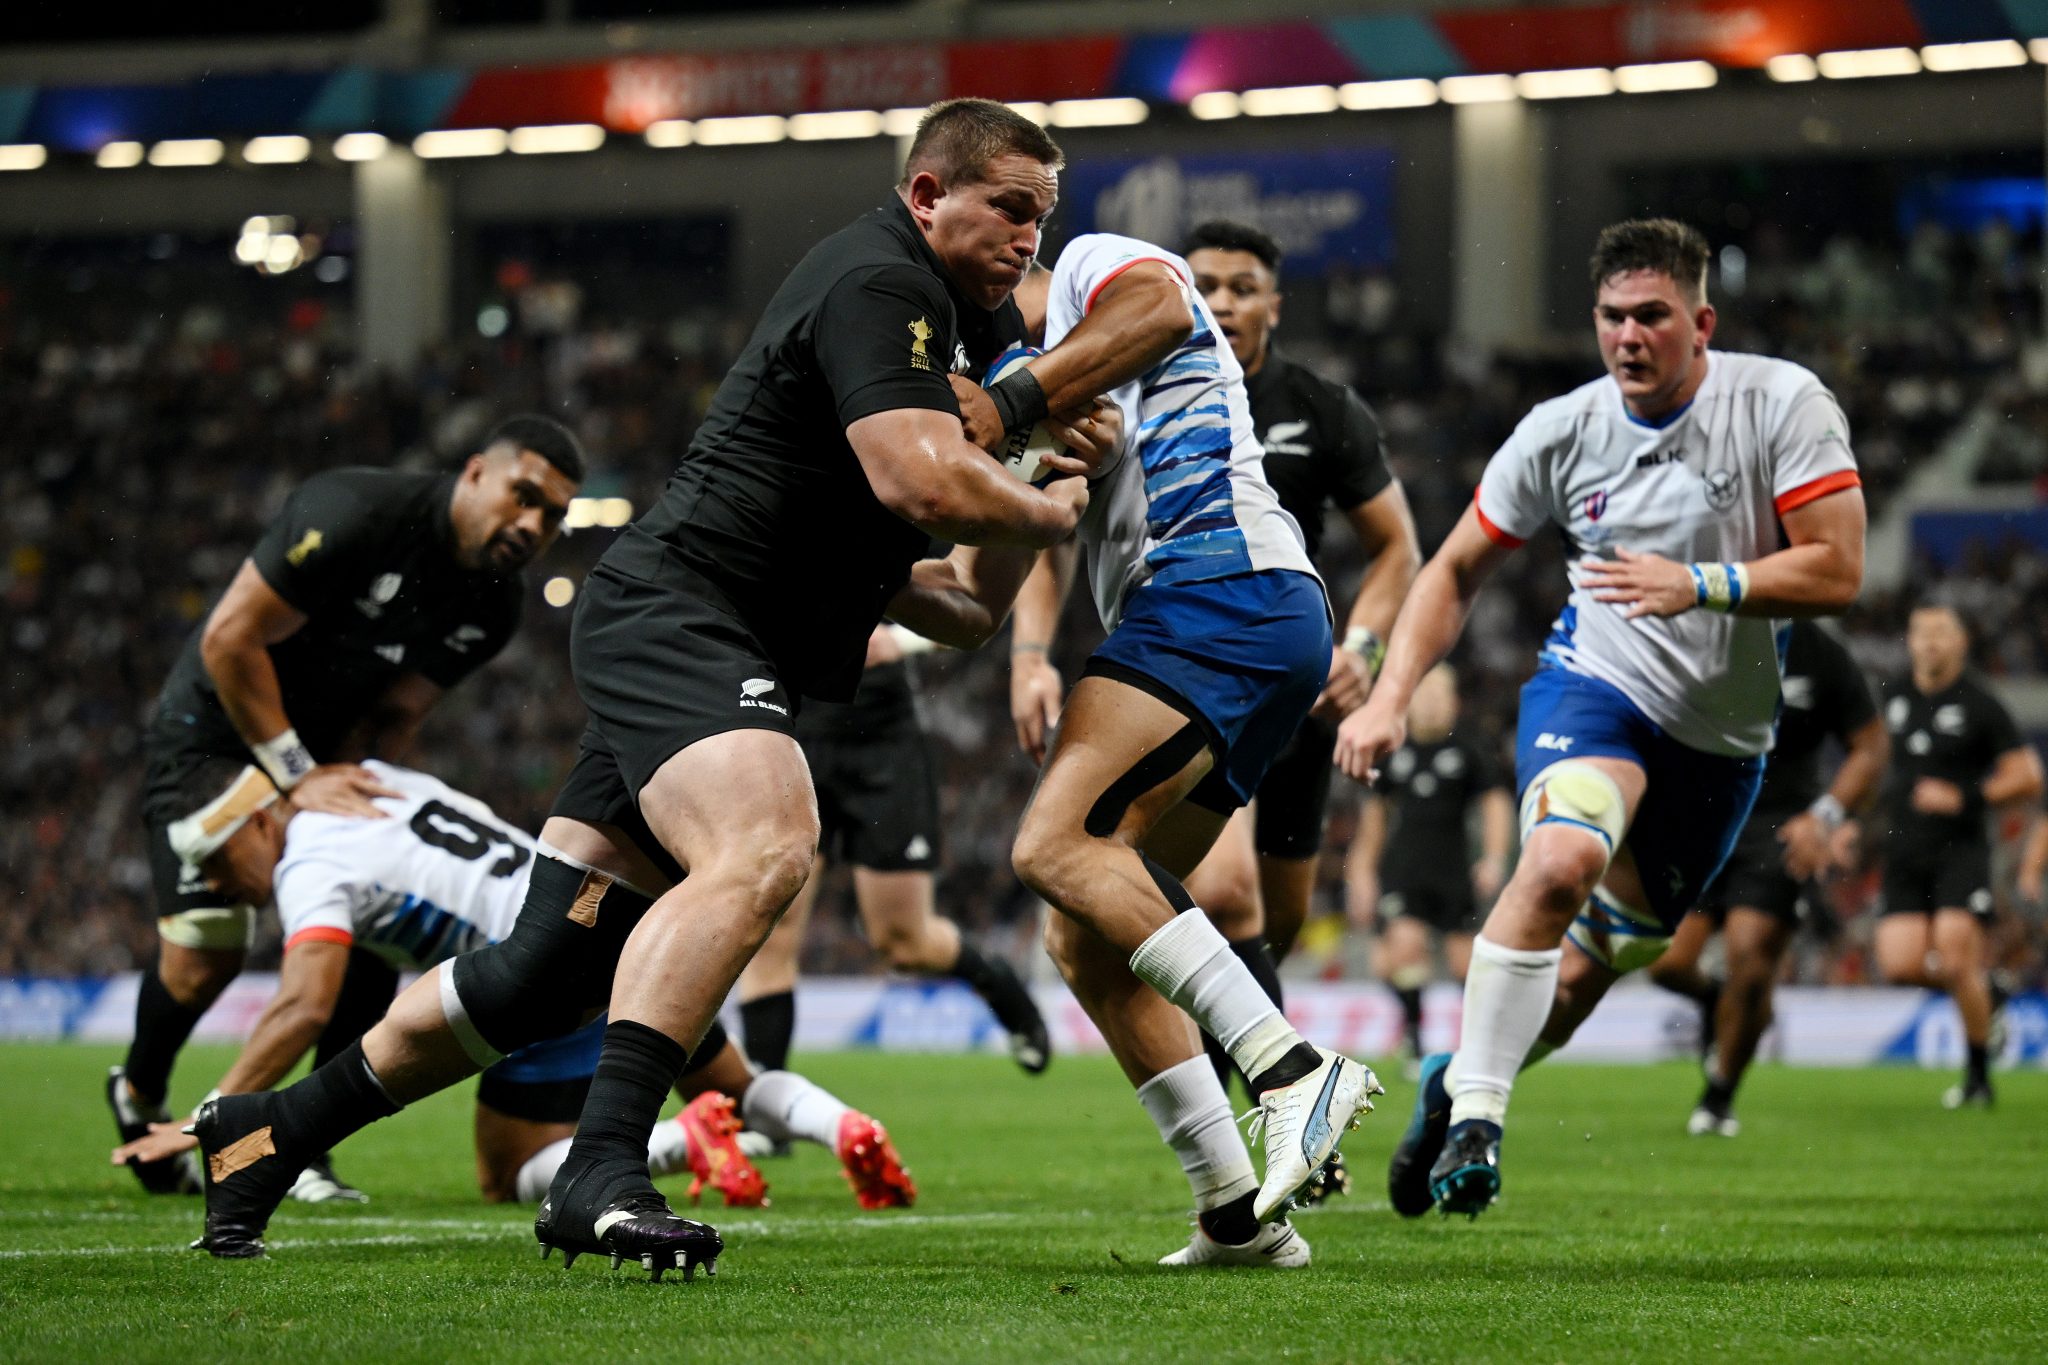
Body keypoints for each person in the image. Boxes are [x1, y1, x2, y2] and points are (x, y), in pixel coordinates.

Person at [186, 98, 1114, 1275]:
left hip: (693, 632)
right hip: (683, 616)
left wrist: (1034, 490)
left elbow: (963, 609)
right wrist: (1032, 482)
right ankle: (601, 1167)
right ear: (927, 194)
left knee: (541, 973)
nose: (1028, 238)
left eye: (1042, 217)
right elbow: (919, 480)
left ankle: (266, 1136)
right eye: (1008, 209)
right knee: (769, 840)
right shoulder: (887, 286)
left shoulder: (954, 341)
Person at [1336, 218, 1866, 1220]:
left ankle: (1451, 1079)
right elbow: (1451, 567)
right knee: (1556, 863)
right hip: (1595, 687)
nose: (1627, 336)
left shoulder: (1781, 405)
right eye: (1610, 317)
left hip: (1720, 744)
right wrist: (1390, 698)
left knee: (1581, 980)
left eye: (1651, 317)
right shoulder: (1560, 429)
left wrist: (1699, 583)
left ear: (1700, 322)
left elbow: (1836, 568)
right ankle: (1478, 1123)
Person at [995, 233, 1382, 1271]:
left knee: (1054, 846)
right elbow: (990, 566)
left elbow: (1163, 305)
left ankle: (1288, 1066)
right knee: (1080, 933)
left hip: (1213, 591)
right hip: (1233, 615)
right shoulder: (1033, 375)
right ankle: (1234, 1214)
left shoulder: (1086, 269)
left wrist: (1007, 408)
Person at [110, 416, 584, 1197]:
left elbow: (396, 715)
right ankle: (137, 1092)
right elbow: (229, 639)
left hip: (322, 759)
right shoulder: (355, 514)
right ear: (473, 473)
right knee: (204, 960)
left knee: (363, 928)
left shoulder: (494, 605)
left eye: (553, 514)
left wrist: (360, 808)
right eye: (523, 495)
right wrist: (296, 776)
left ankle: (298, 1145)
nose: (533, 523)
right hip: (216, 732)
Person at [111, 758, 912, 1212]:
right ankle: (844, 1125)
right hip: (623, 923)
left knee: (506, 1174)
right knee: (732, 1082)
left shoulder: (309, 858)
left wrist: (205, 1122)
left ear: (258, 822)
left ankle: (679, 1142)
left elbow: (302, 1005)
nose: (225, 884)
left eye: (220, 862)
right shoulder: (376, 781)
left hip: (540, 973)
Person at [1137, 221, 1418, 1117]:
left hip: (1299, 685)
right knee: (1221, 890)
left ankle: (1261, 1111)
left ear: (1273, 303)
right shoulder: (1146, 392)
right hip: (1193, 671)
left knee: (1278, 919)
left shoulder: (1321, 406)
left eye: (1241, 286)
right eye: (1206, 284)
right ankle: (1278, 1106)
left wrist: (1365, 649)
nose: (1221, 301)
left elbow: (1397, 550)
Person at [738, 623, 1049, 1081]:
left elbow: (965, 594)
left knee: (904, 941)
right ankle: (764, 1109)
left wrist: (906, 635)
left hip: (882, 735)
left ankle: (998, 982)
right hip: (793, 722)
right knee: (773, 925)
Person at [1648, 619, 1888, 1135]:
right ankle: (1718, 1003)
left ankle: (1718, 1095)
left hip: (1782, 829)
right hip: (1706, 819)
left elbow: (1870, 746)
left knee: (1751, 960)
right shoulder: (1704, 629)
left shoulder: (1820, 652)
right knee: (1665, 963)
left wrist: (1828, 816)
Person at [1871, 602, 2043, 1108]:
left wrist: (1964, 796)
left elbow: (2028, 775)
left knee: (1952, 954)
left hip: (1959, 851)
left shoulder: (1981, 704)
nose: (1929, 641)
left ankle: (1977, 1078)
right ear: (1909, 639)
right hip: (1903, 850)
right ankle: (1988, 993)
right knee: (1900, 965)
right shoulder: (1894, 695)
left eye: (1941, 632)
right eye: (1920, 631)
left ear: (1961, 643)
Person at [1349, 665, 1512, 1072]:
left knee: (1464, 965)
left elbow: (1495, 805)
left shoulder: (1469, 749)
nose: (1432, 704)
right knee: (1402, 949)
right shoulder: (1391, 750)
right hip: (1404, 869)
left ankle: (1477, 1046)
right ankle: (1416, 1042)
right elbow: (1374, 821)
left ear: (1454, 702)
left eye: (1440, 695)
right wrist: (1362, 874)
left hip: (1454, 870)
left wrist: (1493, 858)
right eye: (1425, 694)